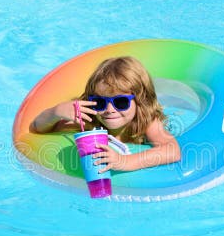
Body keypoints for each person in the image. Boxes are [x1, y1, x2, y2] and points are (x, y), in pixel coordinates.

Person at [30, 56, 181, 172]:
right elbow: (38, 128)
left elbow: (172, 150)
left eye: (121, 102)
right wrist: (55, 112)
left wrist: (124, 162)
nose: (109, 109)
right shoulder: (89, 119)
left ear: (140, 101)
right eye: (99, 102)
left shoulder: (146, 122)